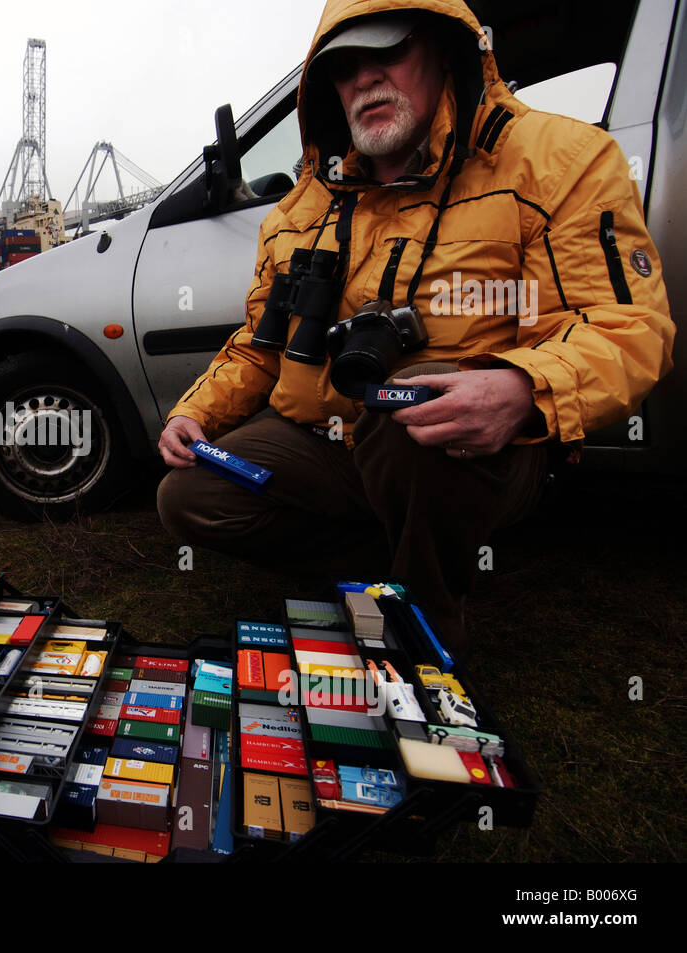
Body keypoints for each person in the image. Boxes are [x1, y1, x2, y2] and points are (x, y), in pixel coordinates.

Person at [156, 0, 675, 655]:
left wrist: (521, 387)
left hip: (471, 444)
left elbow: (629, 326)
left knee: (413, 402)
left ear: (444, 51)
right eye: (345, 68)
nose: (366, 80)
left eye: (389, 53)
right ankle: (390, 564)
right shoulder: (300, 208)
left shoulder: (557, 158)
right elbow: (258, 348)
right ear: (327, 87)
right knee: (189, 494)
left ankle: (423, 632)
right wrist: (194, 413)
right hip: (331, 439)